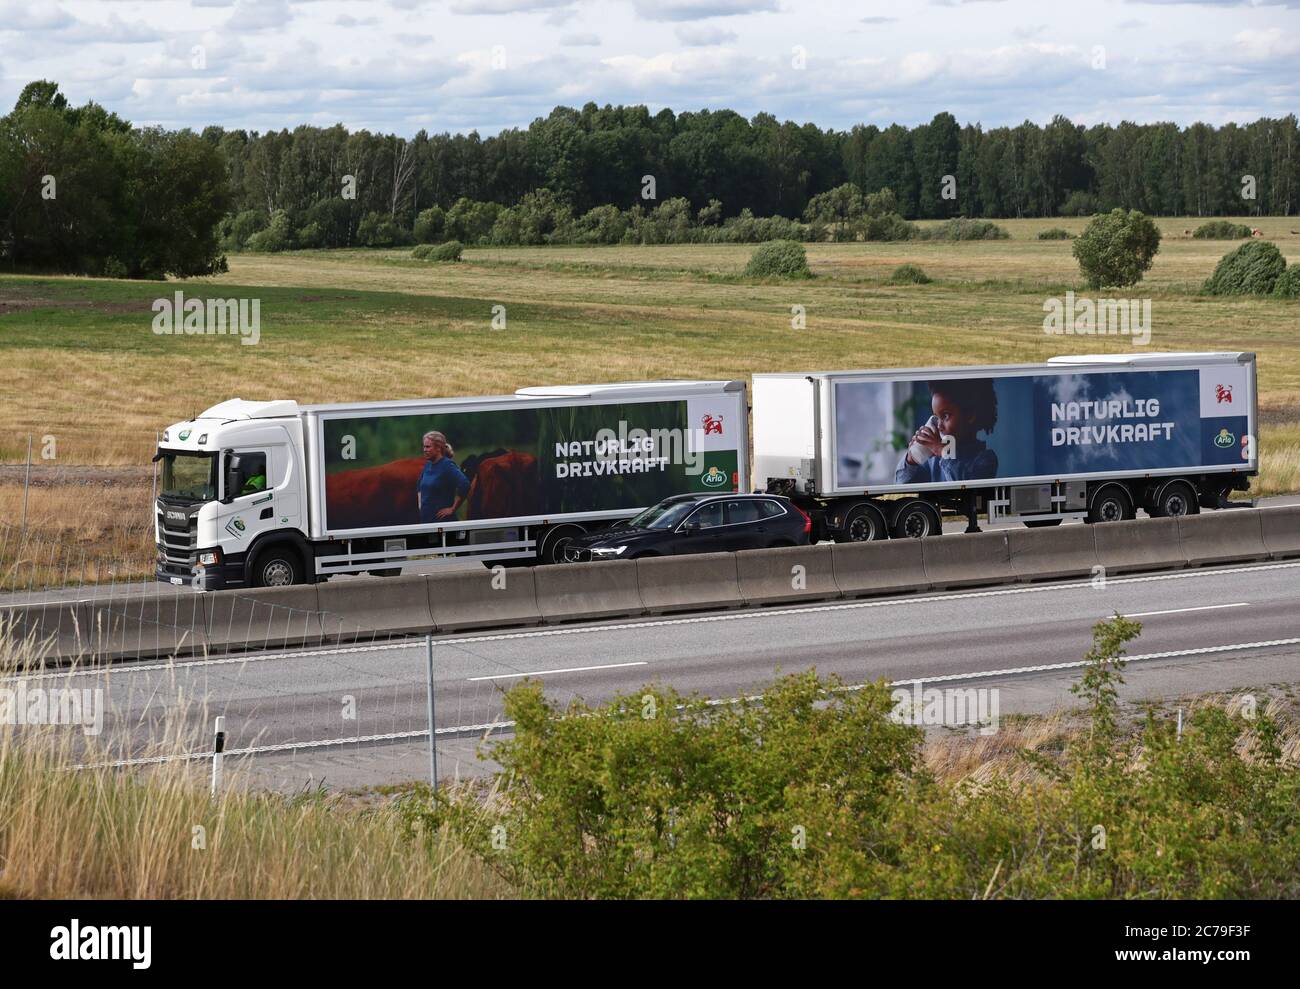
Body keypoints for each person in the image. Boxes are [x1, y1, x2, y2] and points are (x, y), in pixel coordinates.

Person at [895, 378, 999, 484]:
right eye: (937, 417)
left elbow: (964, 489)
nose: (939, 425)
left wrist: (944, 452)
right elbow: (902, 487)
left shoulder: (985, 459)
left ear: (969, 415)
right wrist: (910, 461)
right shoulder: (932, 459)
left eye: (945, 415)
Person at [417, 430, 470, 523]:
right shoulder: (428, 464)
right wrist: (421, 506)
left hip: (442, 523)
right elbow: (419, 485)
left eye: (428, 447)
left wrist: (452, 509)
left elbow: (465, 484)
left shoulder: (447, 465)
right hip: (426, 521)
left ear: (438, 448)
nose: (425, 449)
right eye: (424, 446)